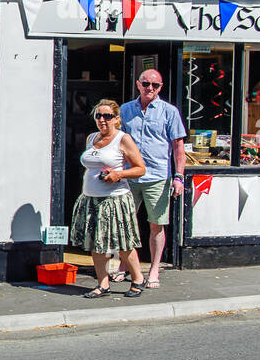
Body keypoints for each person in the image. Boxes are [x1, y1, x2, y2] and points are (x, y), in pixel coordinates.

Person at [71, 100, 148, 298]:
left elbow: (140, 168)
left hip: (115, 199)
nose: (102, 120)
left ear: (116, 119)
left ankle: (138, 278)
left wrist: (119, 174)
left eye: (107, 116)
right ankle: (102, 284)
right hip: (91, 198)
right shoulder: (91, 138)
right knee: (96, 243)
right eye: (98, 116)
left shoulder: (123, 139)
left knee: (122, 243)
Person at [120, 70, 186, 288]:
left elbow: (178, 147)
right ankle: (125, 265)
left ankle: (154, 269)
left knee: (156, 224)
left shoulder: (169, 111)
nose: (150, 88)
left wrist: (179, 177)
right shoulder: (125, 109)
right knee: (126, 223)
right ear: (138, 84)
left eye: (155, 85)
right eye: (146, 83)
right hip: (129, 174)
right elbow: (116, 142)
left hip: (158, 175)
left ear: (161, 87)